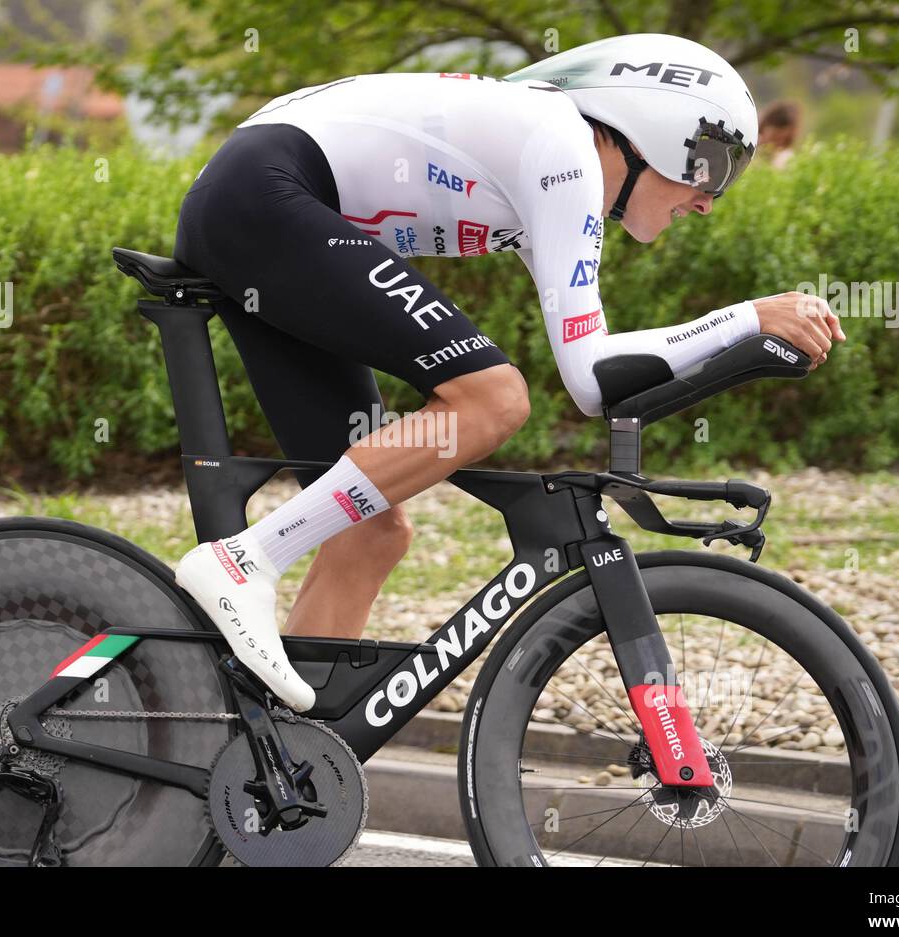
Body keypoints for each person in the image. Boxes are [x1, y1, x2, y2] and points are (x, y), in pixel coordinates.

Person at [173, 33, 845, 711]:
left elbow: (596, 380)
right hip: (263, 194)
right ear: (654, 131)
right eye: (713, 167)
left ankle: (277, 760)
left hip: (257, 202)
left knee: (369, 532)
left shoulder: (549, 159)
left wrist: (741, 342)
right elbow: (593, 378)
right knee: (492, 398)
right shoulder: (564, 149)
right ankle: (242, 562)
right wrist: (749, 318)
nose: (709, 200)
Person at [758, 99, 802, 167]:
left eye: (783, 140)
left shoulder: (786, 158)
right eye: (775, 137)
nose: (778, 144)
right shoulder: (750, 148)